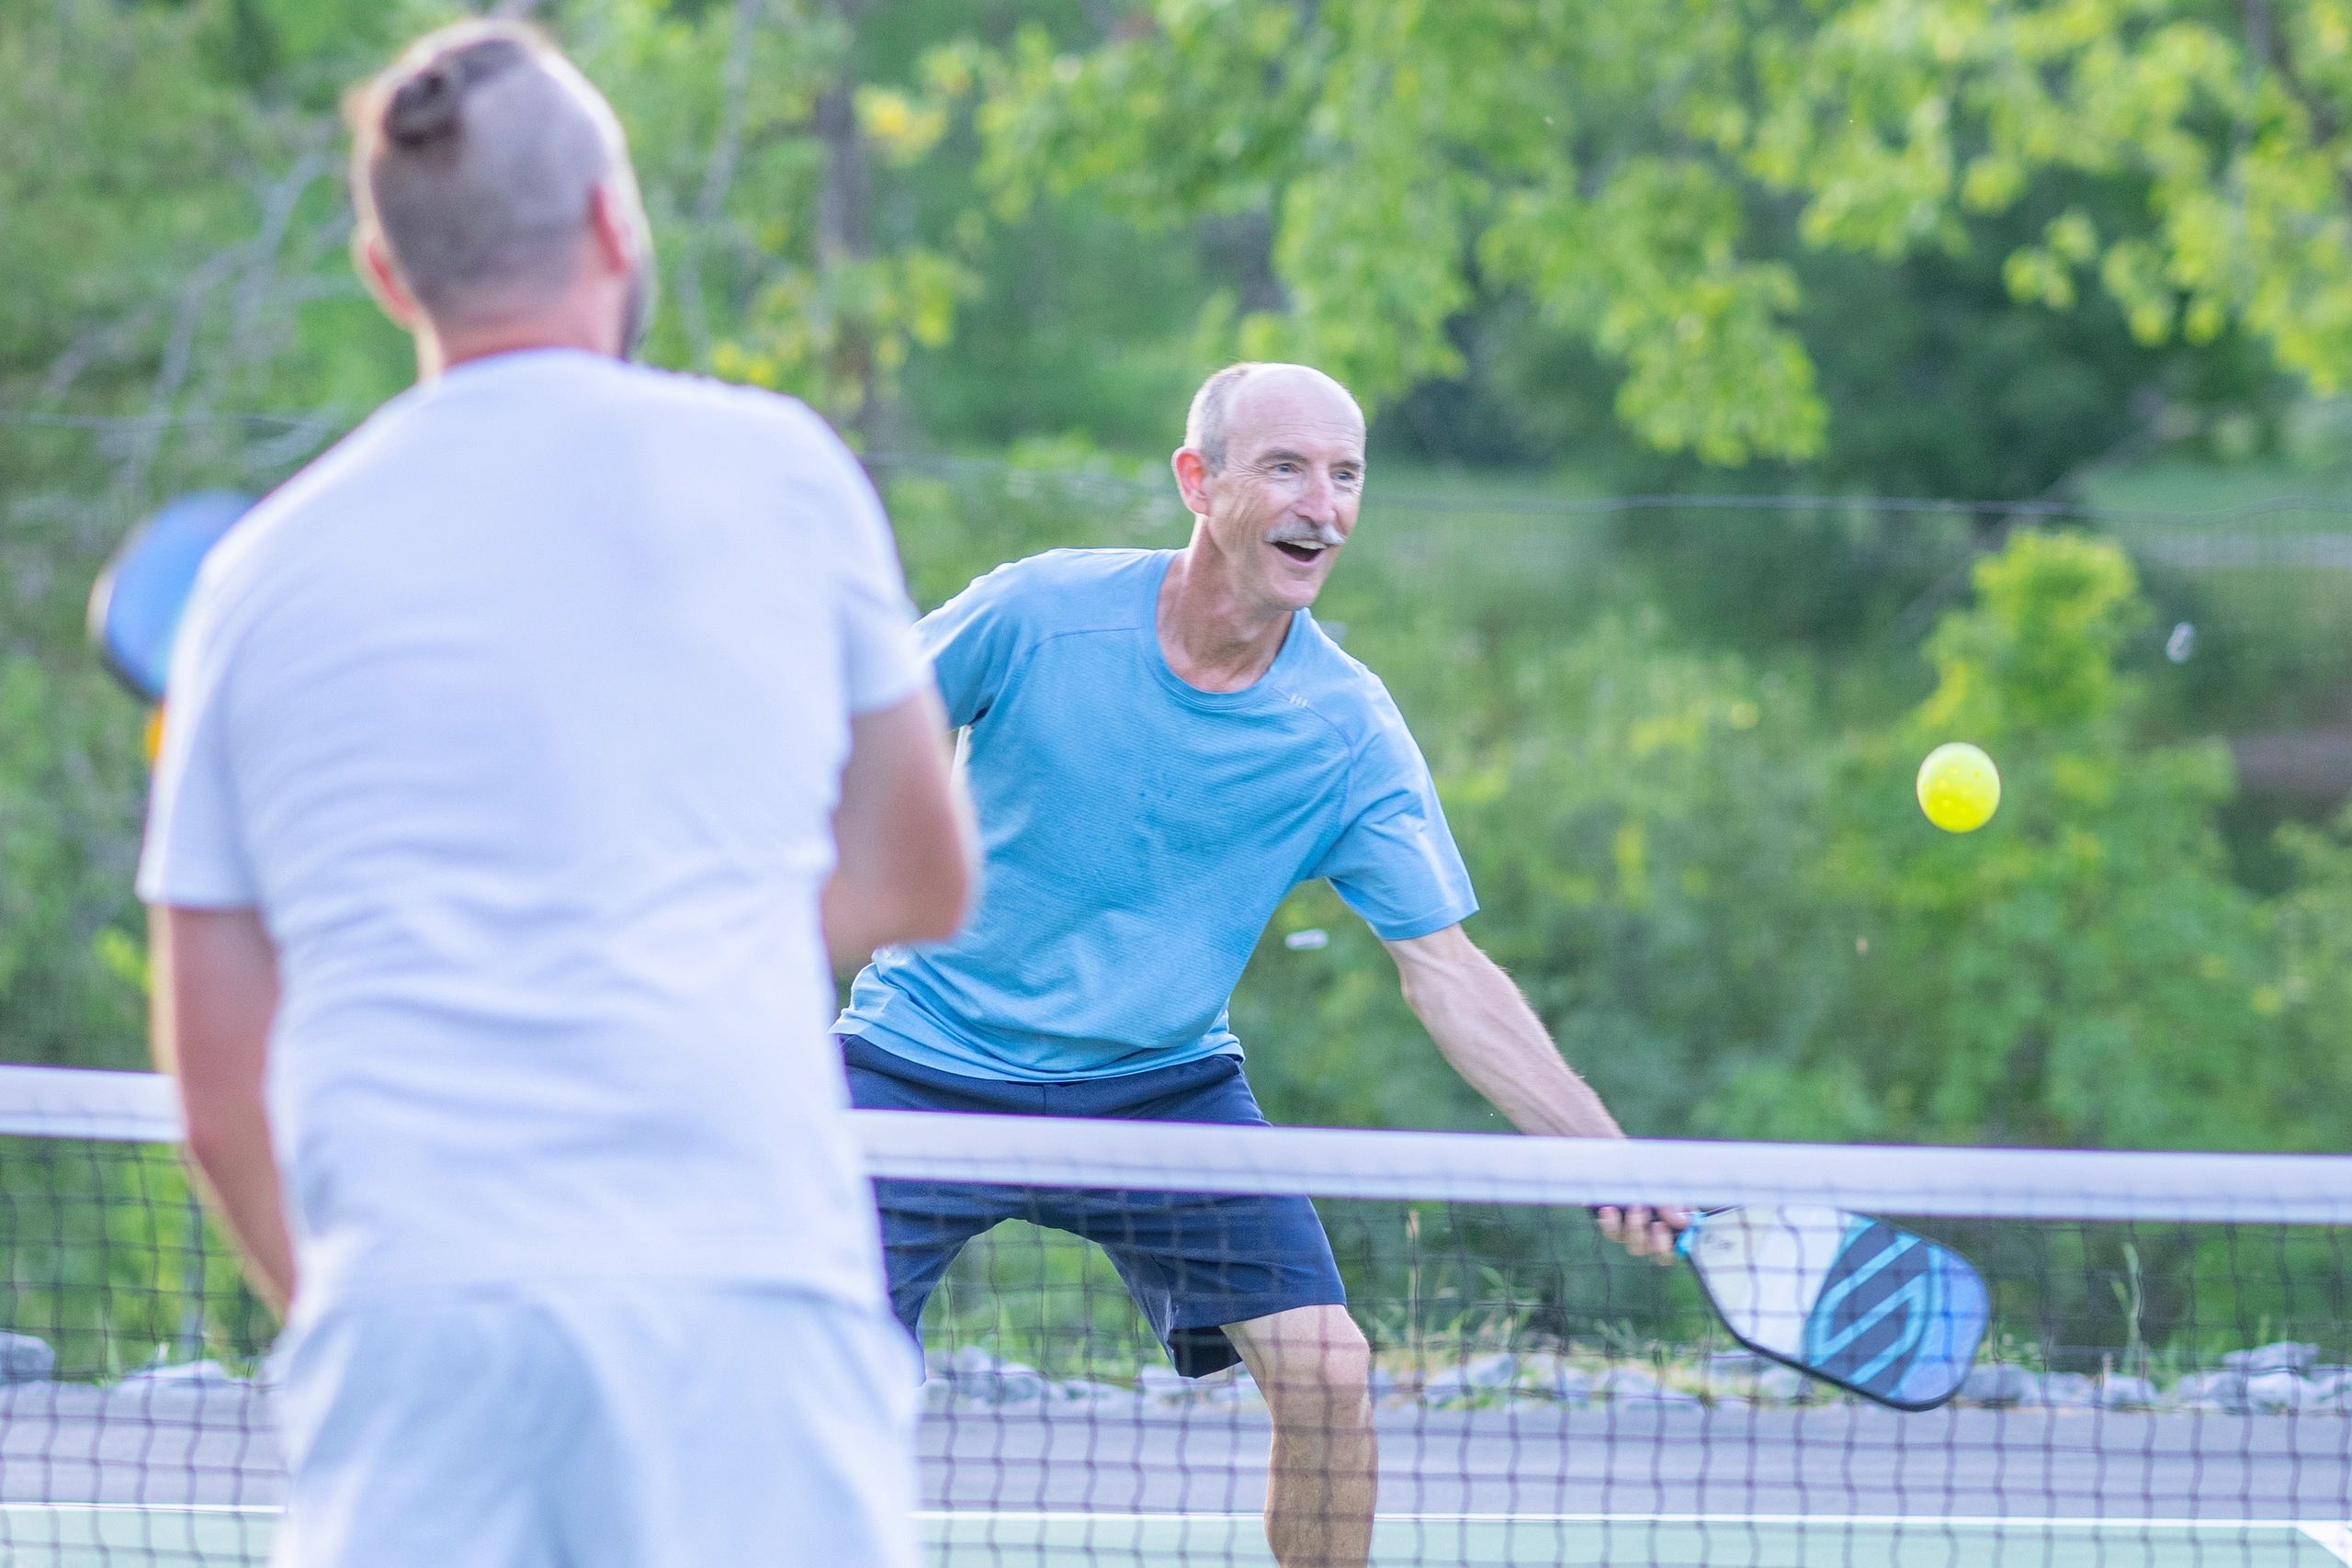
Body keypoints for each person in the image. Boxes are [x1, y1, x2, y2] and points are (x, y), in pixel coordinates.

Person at [137, 21, 970, 1567]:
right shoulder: (784, 476)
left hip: (416, 1316)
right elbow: (927, 875)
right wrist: (701, 912)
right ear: (611, 221)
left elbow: (216, 1073)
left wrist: (352, 1306)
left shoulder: (256, 577)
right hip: (744, 1294)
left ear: (390, 278)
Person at [834, 360, 1678, 1568]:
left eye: (1346, 477)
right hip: (918, 1064)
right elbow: (848, 737)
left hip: (1157, 1086)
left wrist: (1600, 1154)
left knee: (1332, 1372)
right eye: (1287, 467)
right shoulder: (1038, 615)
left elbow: (1444, 967)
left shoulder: (1346, 731)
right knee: (802, 1364)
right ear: (1200, 480)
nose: (1321, 505)